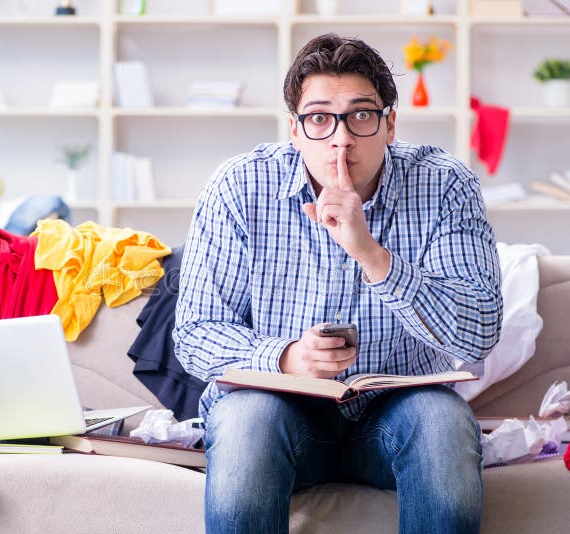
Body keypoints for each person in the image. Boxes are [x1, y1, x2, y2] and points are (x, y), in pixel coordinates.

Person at [173, 33, 503, 534]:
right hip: (279, 410)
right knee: (245, 421)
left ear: (390, 124)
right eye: (320, 118)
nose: (341, 139)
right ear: (294, 130)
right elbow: (196, 331)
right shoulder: (238, 186)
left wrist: (371, 254)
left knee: (441, 423)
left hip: (397, 414)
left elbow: (478, 331)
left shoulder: (445, 185)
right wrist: (287, 360)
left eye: (361, 116)